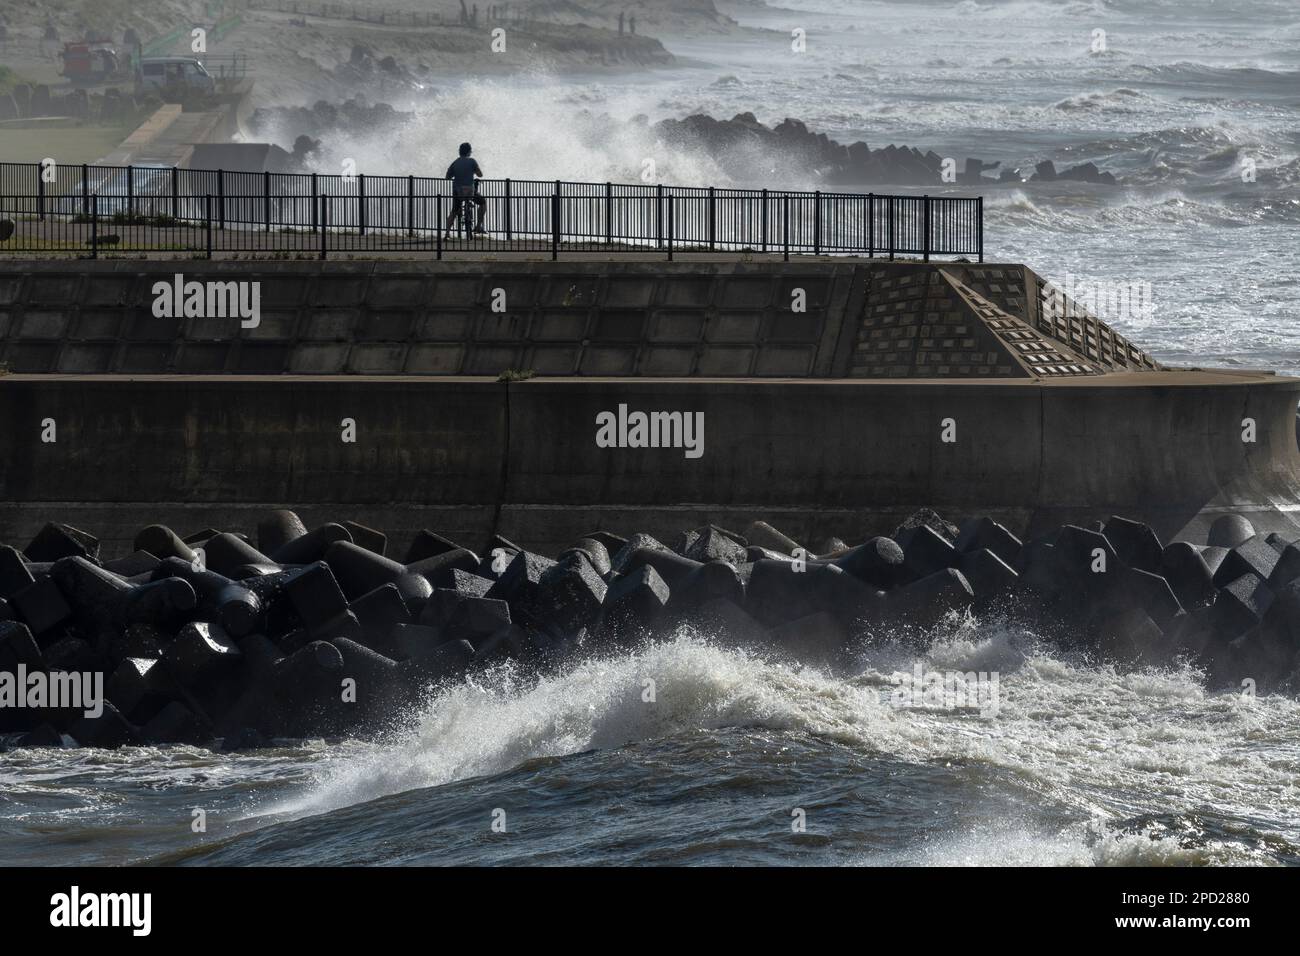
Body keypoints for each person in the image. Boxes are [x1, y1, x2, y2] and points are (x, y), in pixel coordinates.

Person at [445, 142, 486, 236]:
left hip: (458, 191)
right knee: (483, 203)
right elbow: (480, 174)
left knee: (454, 210)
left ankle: (447, 233)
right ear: (469, 152)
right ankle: (478, 226)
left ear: (459, 152)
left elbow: (447, 177)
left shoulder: (455, 162)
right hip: (470, 192)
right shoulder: (472, 161)